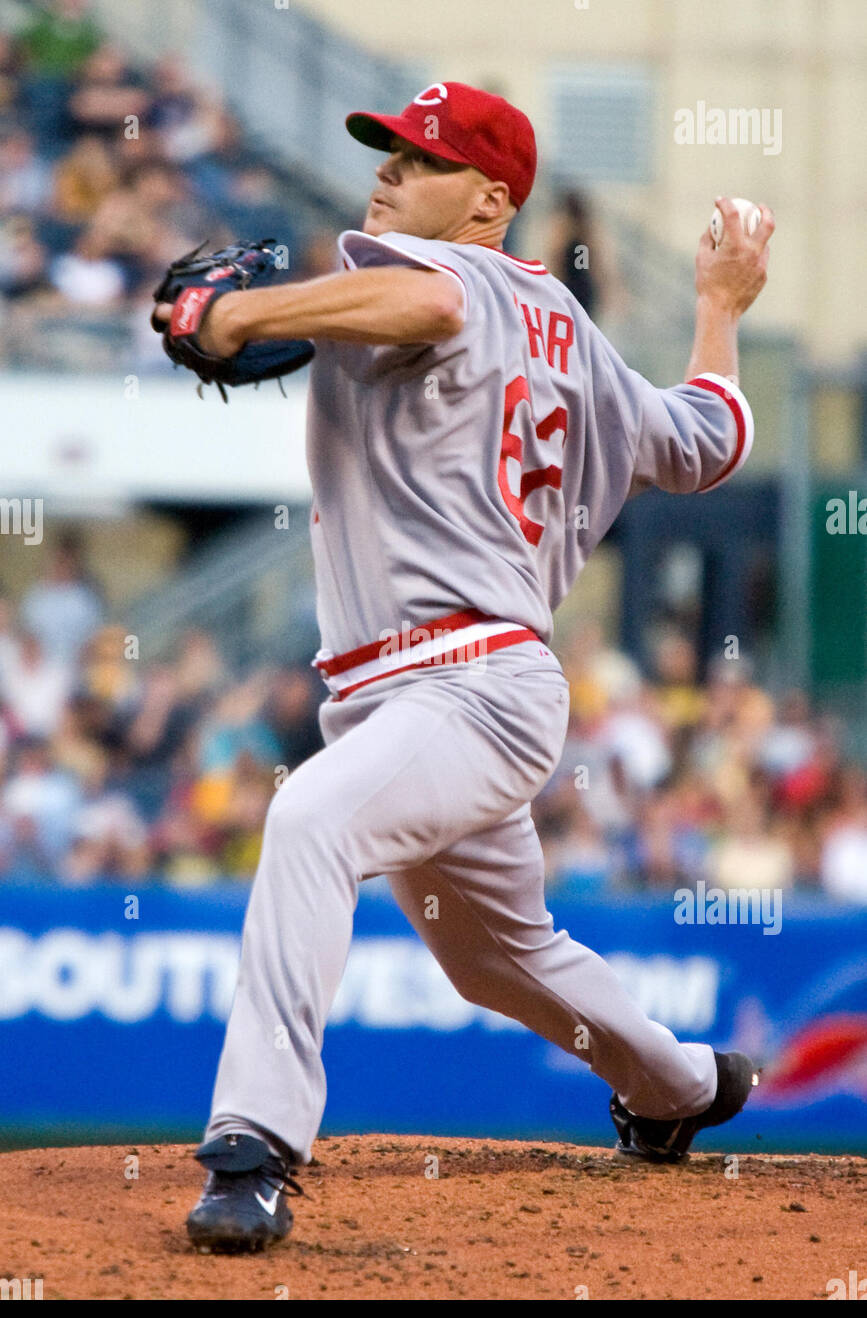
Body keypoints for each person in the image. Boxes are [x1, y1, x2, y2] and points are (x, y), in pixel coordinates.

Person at [154, 81, 775, 1254]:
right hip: (452, 693)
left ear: (491, 202)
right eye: (386, 147)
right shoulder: (578, 340)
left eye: (419, 157)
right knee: (500, 958)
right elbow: (708, 438)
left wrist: (236, 318)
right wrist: (717, 309)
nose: (388, 169)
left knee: (310, 825)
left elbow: (430, 299)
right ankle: (684, 1086)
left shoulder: (453, 277)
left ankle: (252, 1147)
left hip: (466, 684)